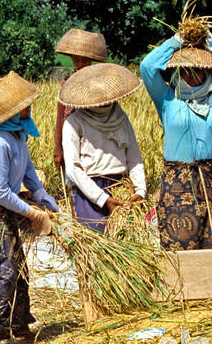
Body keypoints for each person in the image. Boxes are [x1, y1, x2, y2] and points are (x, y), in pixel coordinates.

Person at [0, 72, 60, 344]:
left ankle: (19, 329)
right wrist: (33, 213)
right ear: (11, 110)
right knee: (2, 274)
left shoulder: (18, 133)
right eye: (24, 105)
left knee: (19, 269)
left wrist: (47, 200)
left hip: (6, 207)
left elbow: (29, 173)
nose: (29, 107)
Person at [140, 30, 212, 251]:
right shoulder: (168, 97)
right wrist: (176, 41)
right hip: (177, 183)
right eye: (186, 70)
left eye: (197, 70)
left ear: (206, 72)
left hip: (211, 180)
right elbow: (147, 68)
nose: (191, 75)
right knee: (178, 246)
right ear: (178, 71)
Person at [58, 62, 146, 232]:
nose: (102, 102)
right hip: (89, 191)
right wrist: (102, 198)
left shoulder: (121, 118)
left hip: (121, 187)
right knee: (96, 240)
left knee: (127, 243)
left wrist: (140, 190)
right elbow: (73, 169)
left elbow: (134, 157)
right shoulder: (74, 122)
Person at [51, 28, 108, 171]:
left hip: (92, 141)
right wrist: (58, 147)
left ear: (92, 60)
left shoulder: (98, 83)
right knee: (71, 175)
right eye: (76, 59)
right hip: (70, 138)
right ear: (71, 58)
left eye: (85, 60)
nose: (81, 63)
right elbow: (60, 117)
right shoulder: (66, 83)